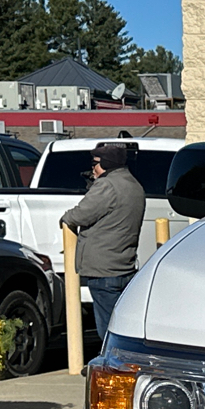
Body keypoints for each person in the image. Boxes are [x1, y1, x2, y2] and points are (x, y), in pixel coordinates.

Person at [61, 143, 146, 339]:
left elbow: (80, 215)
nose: (93, 168)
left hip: (103, 271)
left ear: (107, 164)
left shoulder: (106, 185)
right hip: (124, 266)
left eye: (96, 163)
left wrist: (65, 217)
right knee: (124, 325)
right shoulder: (134, 185)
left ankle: (110, 366)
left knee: (108, 331)